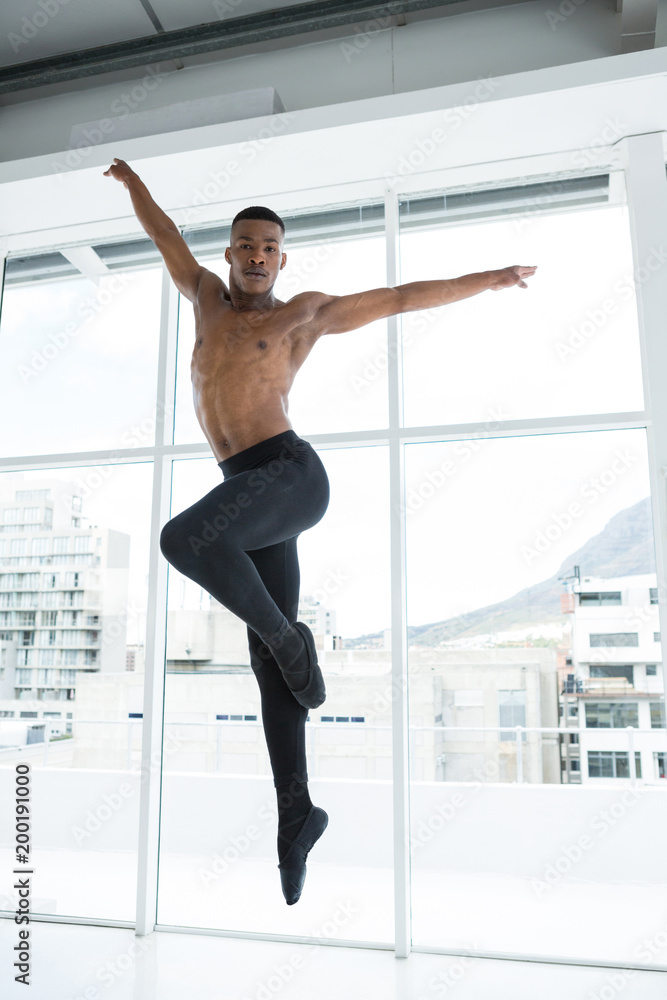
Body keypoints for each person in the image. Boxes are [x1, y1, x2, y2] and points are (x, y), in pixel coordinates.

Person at [104, 156, 537, 904]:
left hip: (289, 477)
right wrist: (133, 184)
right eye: (245, 243)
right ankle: (295, 819)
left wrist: (490, 279)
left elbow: (399, 297)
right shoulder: (203, 297)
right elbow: (165, 234)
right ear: (230, 250)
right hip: (246, 494)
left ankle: (288, 638)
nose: (256, 255)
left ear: (280, 257)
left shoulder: (298, 314)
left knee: (185, 543)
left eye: (269, 246)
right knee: (271, 676)